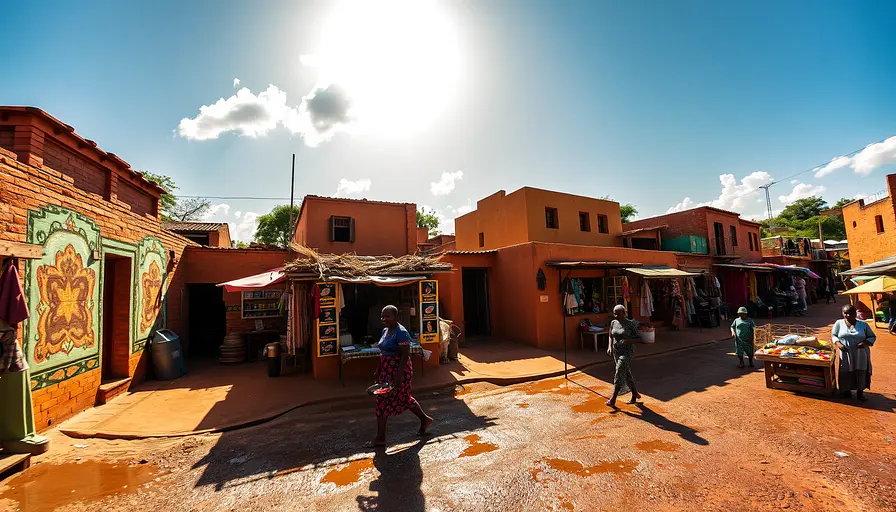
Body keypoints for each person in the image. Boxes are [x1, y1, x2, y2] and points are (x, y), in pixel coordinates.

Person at [367, 305, 433, 447]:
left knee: (384, 399)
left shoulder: (401, 332)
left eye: (387, 316)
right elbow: (383, 352)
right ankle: (424, 419)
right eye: (382, 316)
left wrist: (398, 376)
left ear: (396, 317)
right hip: (386, 370)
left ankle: (380, 437)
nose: (384, 319)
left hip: (399, 370)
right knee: (403, 399)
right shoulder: (385, 331)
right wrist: (378, 369)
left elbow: (405, 355)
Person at [832, 304, 876, 401]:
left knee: (861, 371)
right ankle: (846, 391)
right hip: (846, 353)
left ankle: (860, 393)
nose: (847, 315)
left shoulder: (863, 325)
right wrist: (838, 344)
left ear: (855, 314)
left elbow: (872, 336)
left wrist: (865, 343)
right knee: (845, 371)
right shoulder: (839, 323)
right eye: (845, 313)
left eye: (850, 313)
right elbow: (834, 335)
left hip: (861, 354)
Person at [605, 304, 642, 408]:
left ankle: (613, 399)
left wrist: (628, 341)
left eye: (618, 314)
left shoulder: (630, 324)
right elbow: (610, 335)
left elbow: (639, 338)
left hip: (627, 352)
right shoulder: (613, 322)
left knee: (619, 372)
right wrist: (609, 347)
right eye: (614, 314)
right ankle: (634, 393)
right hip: (616, 352)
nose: (616, 316)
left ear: (624, 313)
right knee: (625, 372)